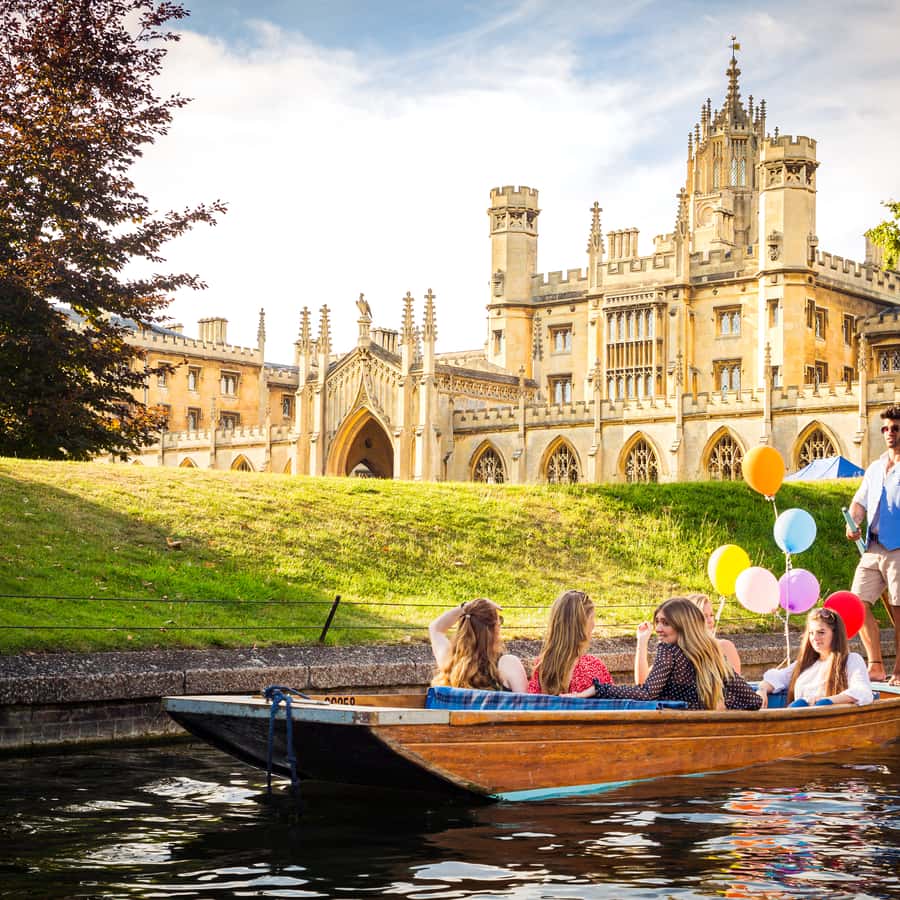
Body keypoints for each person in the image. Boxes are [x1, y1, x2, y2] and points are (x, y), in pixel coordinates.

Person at [568, 597, 762, 711]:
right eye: (657, 622)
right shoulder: (712, 654)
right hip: (701, 735)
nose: (658, 629)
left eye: (665, 623)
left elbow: (646, 693)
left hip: (674, 734)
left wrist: (598, 690)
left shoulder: (668, 652)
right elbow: (753, 701)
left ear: (683, 626)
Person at [845, 404, 900, 686]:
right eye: (885, 429)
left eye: (895, 428)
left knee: (899, 608)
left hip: (899, 548)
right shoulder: (876, 468)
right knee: (857, 603)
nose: (889, 433)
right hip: (873, 547)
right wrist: (852, 522)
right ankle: (876, 664)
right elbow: (859, 502)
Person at [755, 607, 873, 708]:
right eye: (811, 633)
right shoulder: (805, 663)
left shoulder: (851, 660)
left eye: (821, 632)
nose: (815, 638)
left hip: (828, 721)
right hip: (797, 718)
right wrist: (762, 690)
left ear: (835, 634)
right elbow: (777, 677)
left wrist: (828, 701)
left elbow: (863, 692)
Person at [633, 592, 741, 684]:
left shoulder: (723, 646)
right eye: (704, 616)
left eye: (711, 615)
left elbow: (736, 691)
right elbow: (643, 684)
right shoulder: (674, 652)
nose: (710, 621)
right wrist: (642, 642)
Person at [429, 598, 528, 692]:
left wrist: (466, 607)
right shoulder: (508, 664)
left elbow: (435, 628)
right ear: (495, 629)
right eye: (500, 621)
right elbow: (525, 707)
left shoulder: (448, 660)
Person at [527, 590, 614, 694]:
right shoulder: (593, 667)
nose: (594, 625)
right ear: (582, 625)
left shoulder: (542, 667)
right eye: (592, 618)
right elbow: (615, 705)